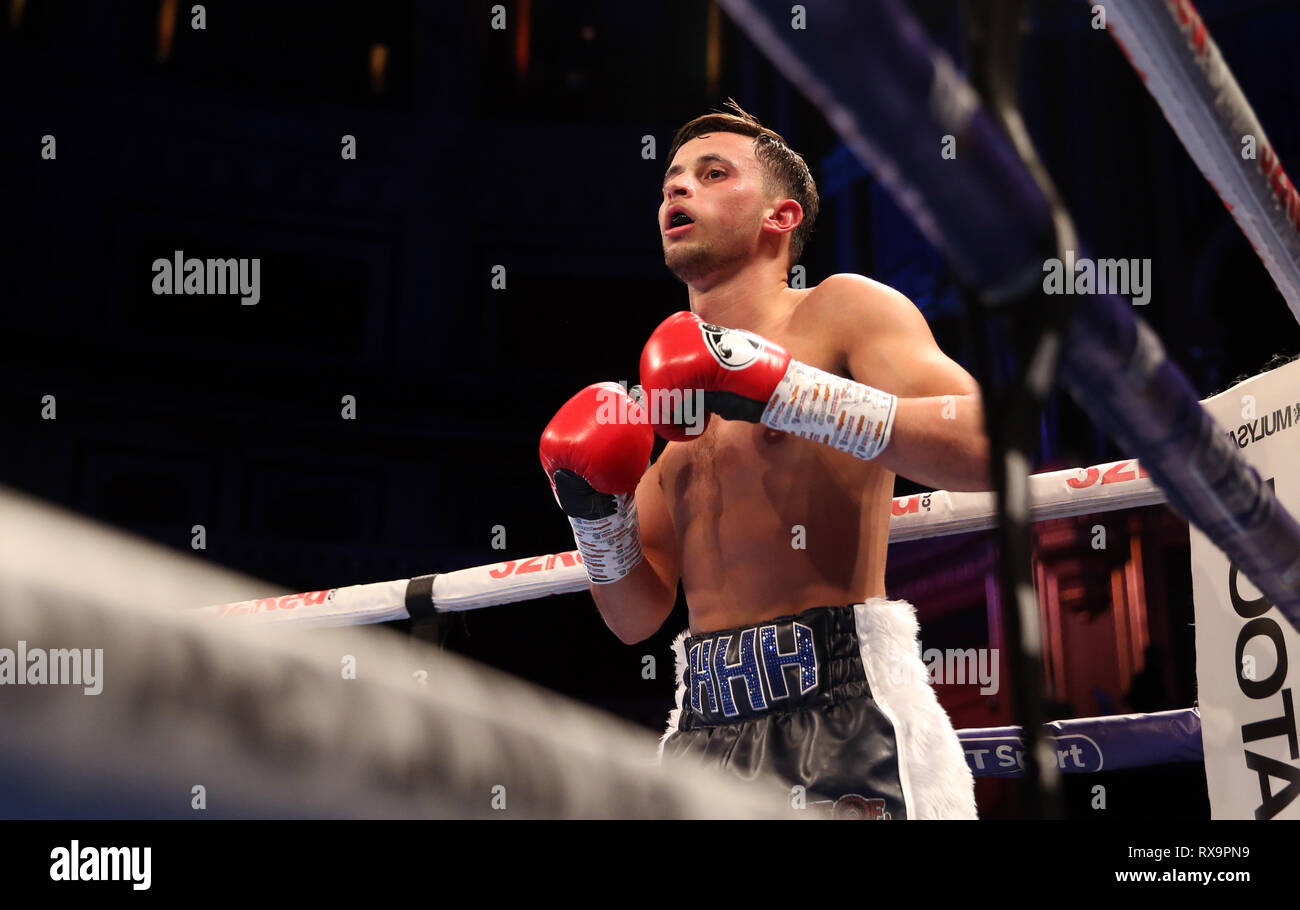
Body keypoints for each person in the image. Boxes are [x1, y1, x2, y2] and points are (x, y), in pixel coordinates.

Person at [540, 101, 988, 818]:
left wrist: (781, 388)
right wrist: (595, 514)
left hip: (844, 701)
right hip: (703, 721)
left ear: (782, 217)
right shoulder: (668, 398)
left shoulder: (842, 312)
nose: (678, 191)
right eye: (671, 182)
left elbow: (984, 446)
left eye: (713, 174)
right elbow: (635, 616)